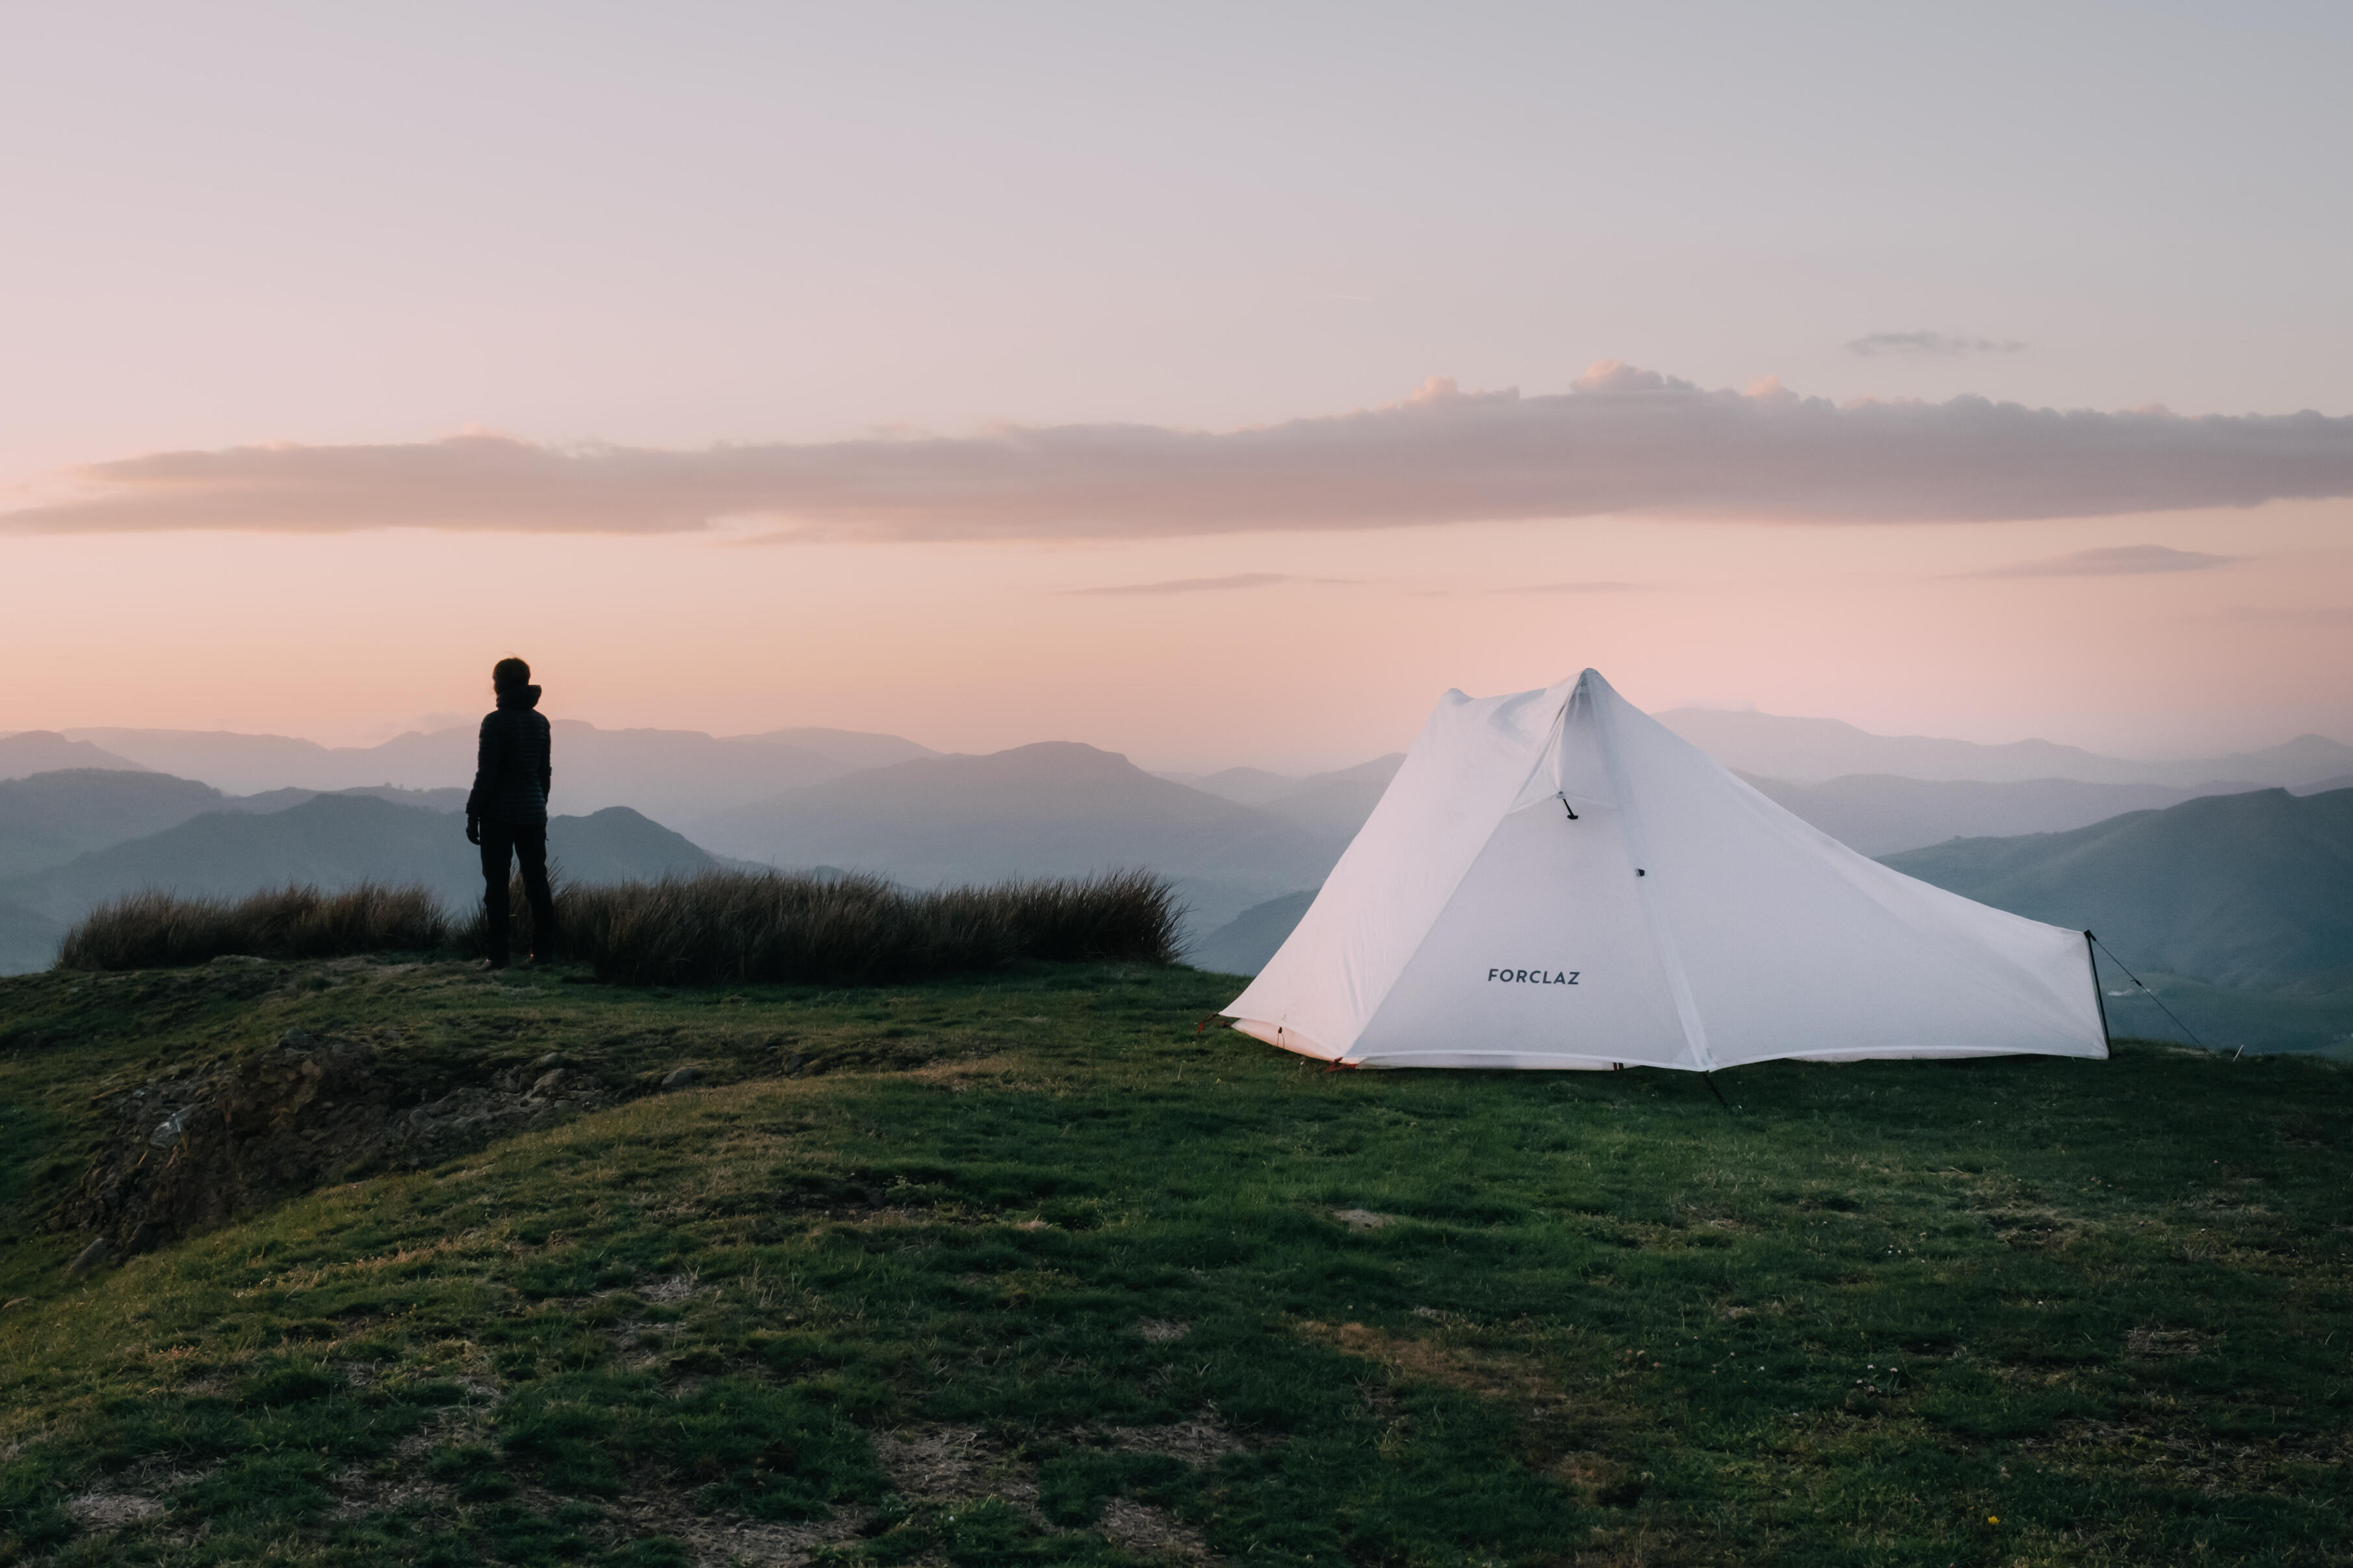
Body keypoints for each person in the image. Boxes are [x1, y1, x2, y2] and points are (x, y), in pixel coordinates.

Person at [465, 657, 558, 968]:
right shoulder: (541, 722)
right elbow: (544, 773)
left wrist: (473, 813)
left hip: (498, 815)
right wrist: (540, 805)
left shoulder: (494, 722)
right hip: (533, 814)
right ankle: (543, 953)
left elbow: (487, 774)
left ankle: (498, 955)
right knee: (537, 884)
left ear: (501, 683)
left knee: (496, 886)